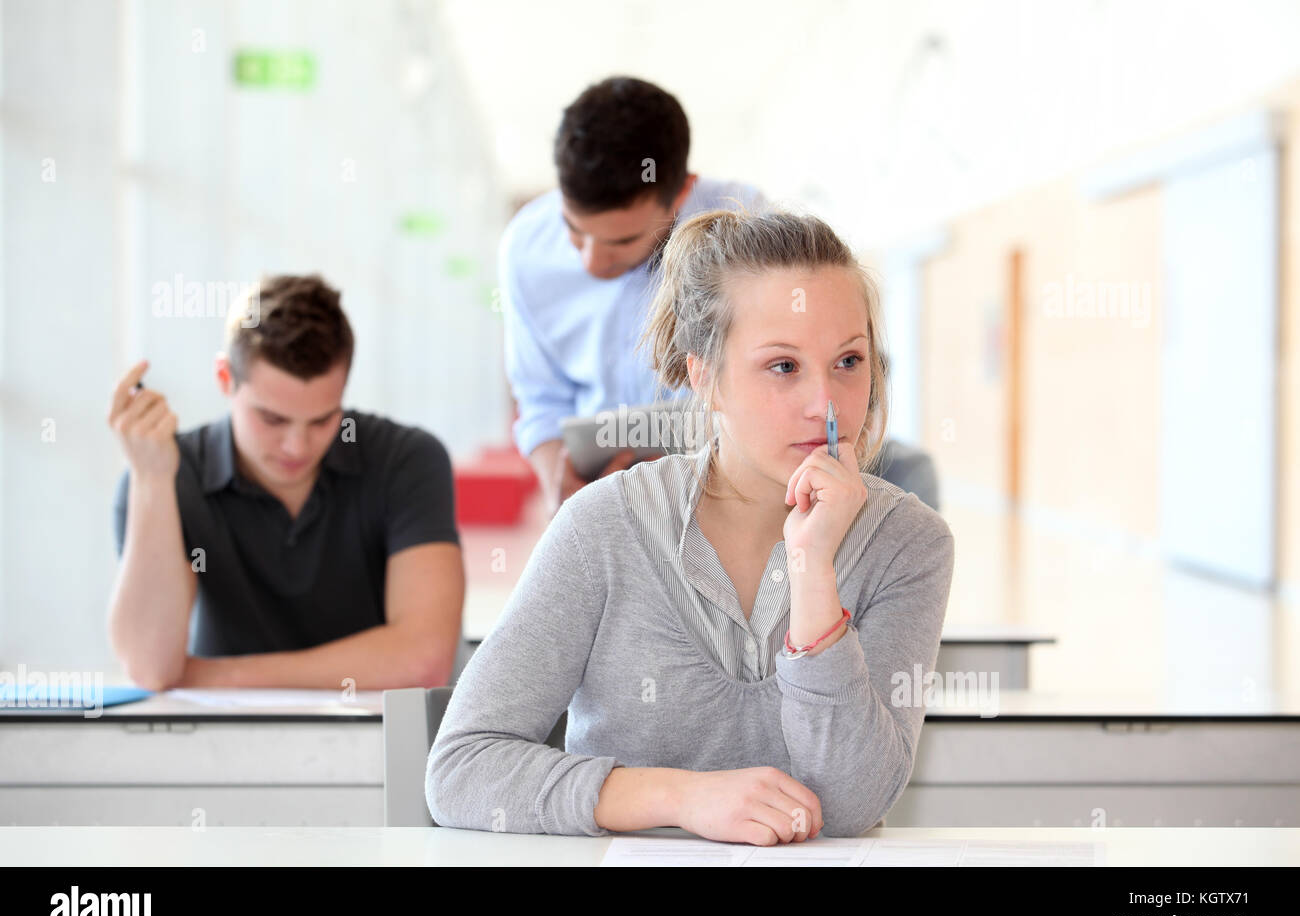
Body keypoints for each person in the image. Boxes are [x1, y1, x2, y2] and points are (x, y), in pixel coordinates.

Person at [428, 210, 955, 844]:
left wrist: (814, 571)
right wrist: (681, 796)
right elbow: (463, 766)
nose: (828, 403)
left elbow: (848, 803)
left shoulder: (909, 544)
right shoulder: (603, 526)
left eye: (848, 360)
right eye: (783, 366)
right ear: (703, 373)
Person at [107, 274, 464, 691]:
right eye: (272, 419)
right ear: (225, 379)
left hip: (375, 741)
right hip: (220, 744)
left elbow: (423, 661)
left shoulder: (407, 460)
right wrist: (151, 480)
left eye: (322, 419)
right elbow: (151, 667)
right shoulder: (168, 475)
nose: (297, 446)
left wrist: (209, 675)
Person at [500, 75, 764, 514]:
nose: (590, 262)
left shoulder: (748, 226)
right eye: (574, 230)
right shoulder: (525, 248)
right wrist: (557, 484)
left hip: (730, 498)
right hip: (597, 504)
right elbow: (540, 399)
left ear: (682, 192)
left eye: (621, 242)